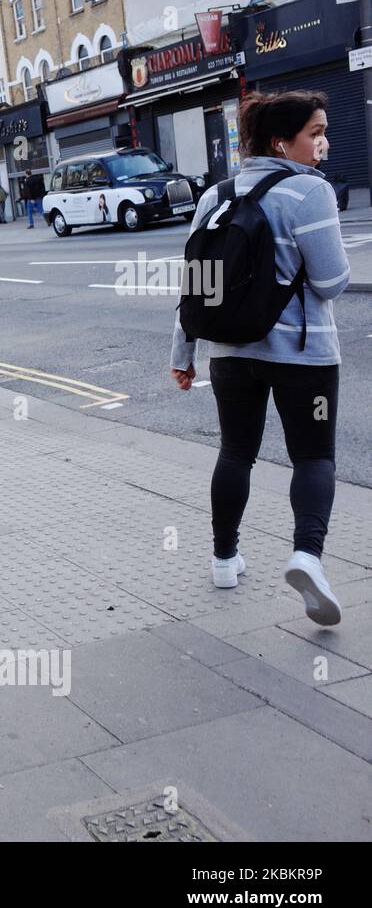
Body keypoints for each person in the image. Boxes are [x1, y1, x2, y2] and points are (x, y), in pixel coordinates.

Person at [170, 90, 350, 625]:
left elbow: (196, 284)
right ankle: (306, 557)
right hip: (303, 356)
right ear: (281, 142)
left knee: (235, 452)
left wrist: (184, 353)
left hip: (230, 354)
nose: (324, 143)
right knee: (313, 458)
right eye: (315, 133)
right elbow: (331, 282)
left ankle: (224, 559)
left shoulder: (216, 195)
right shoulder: (310, 192)